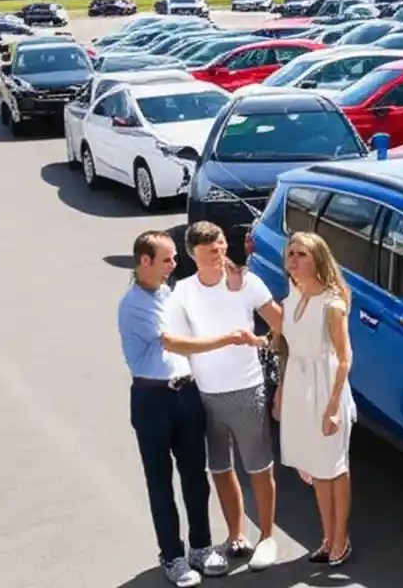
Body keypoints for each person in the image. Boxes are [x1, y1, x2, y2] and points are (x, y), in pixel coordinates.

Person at [117, 230, 259, 586]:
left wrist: (236, 267)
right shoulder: (132, 304)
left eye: (174, 258)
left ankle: (200, 547)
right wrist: (227, 339)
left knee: (196, 477)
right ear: (144, 261)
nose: (174, 264)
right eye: (166, 259)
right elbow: (175, 343)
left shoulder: (169, 292)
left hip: (186, 395)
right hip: (152, 401)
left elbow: (207, 291)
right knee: (160, 483)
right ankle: (173, 556)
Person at [168, 222, 285, 572]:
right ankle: (237, 535)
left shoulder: (247, 282)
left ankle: (267, 535)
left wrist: (261, 342)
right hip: (204, 394)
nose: (218, 254)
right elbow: (174, 340)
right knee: (220, 467)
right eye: (209, 251)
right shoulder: (183, 292)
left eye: (220, 246)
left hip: (247, 388)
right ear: (194, 255)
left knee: (259, 466)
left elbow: (280, 325)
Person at [276, 231, 356, 567]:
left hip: (326, 389)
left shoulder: (332, 304)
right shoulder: (292, 296)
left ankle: (341, 540)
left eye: (302, 254)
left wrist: (333, 406)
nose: (293, 259)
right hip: (299, 386)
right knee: (315, 468)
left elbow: (344, 357)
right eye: (291, 253)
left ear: (318, 259)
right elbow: (286, 346)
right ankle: (327, 536)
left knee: (334, 468)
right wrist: (281, 388)